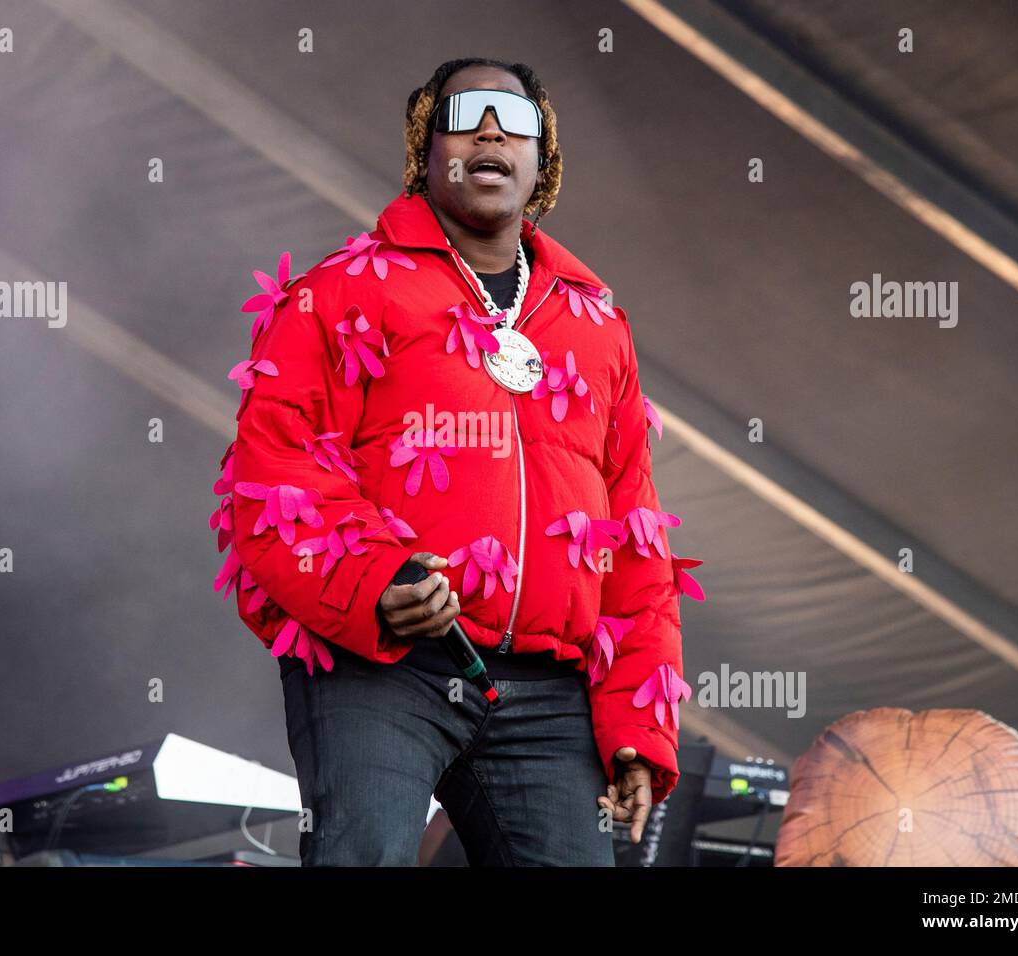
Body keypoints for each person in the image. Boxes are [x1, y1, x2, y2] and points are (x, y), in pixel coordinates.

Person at [212, 57, 700, 866]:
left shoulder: (597, 325)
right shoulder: (338, 293)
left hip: (547, 689)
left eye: (515, 122)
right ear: (425, 148)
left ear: (541, 163)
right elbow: (272, 478)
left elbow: (633, 535)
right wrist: (378, 585)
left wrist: (636, 729)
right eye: (465, 113)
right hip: (387, 670)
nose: (490, 131)